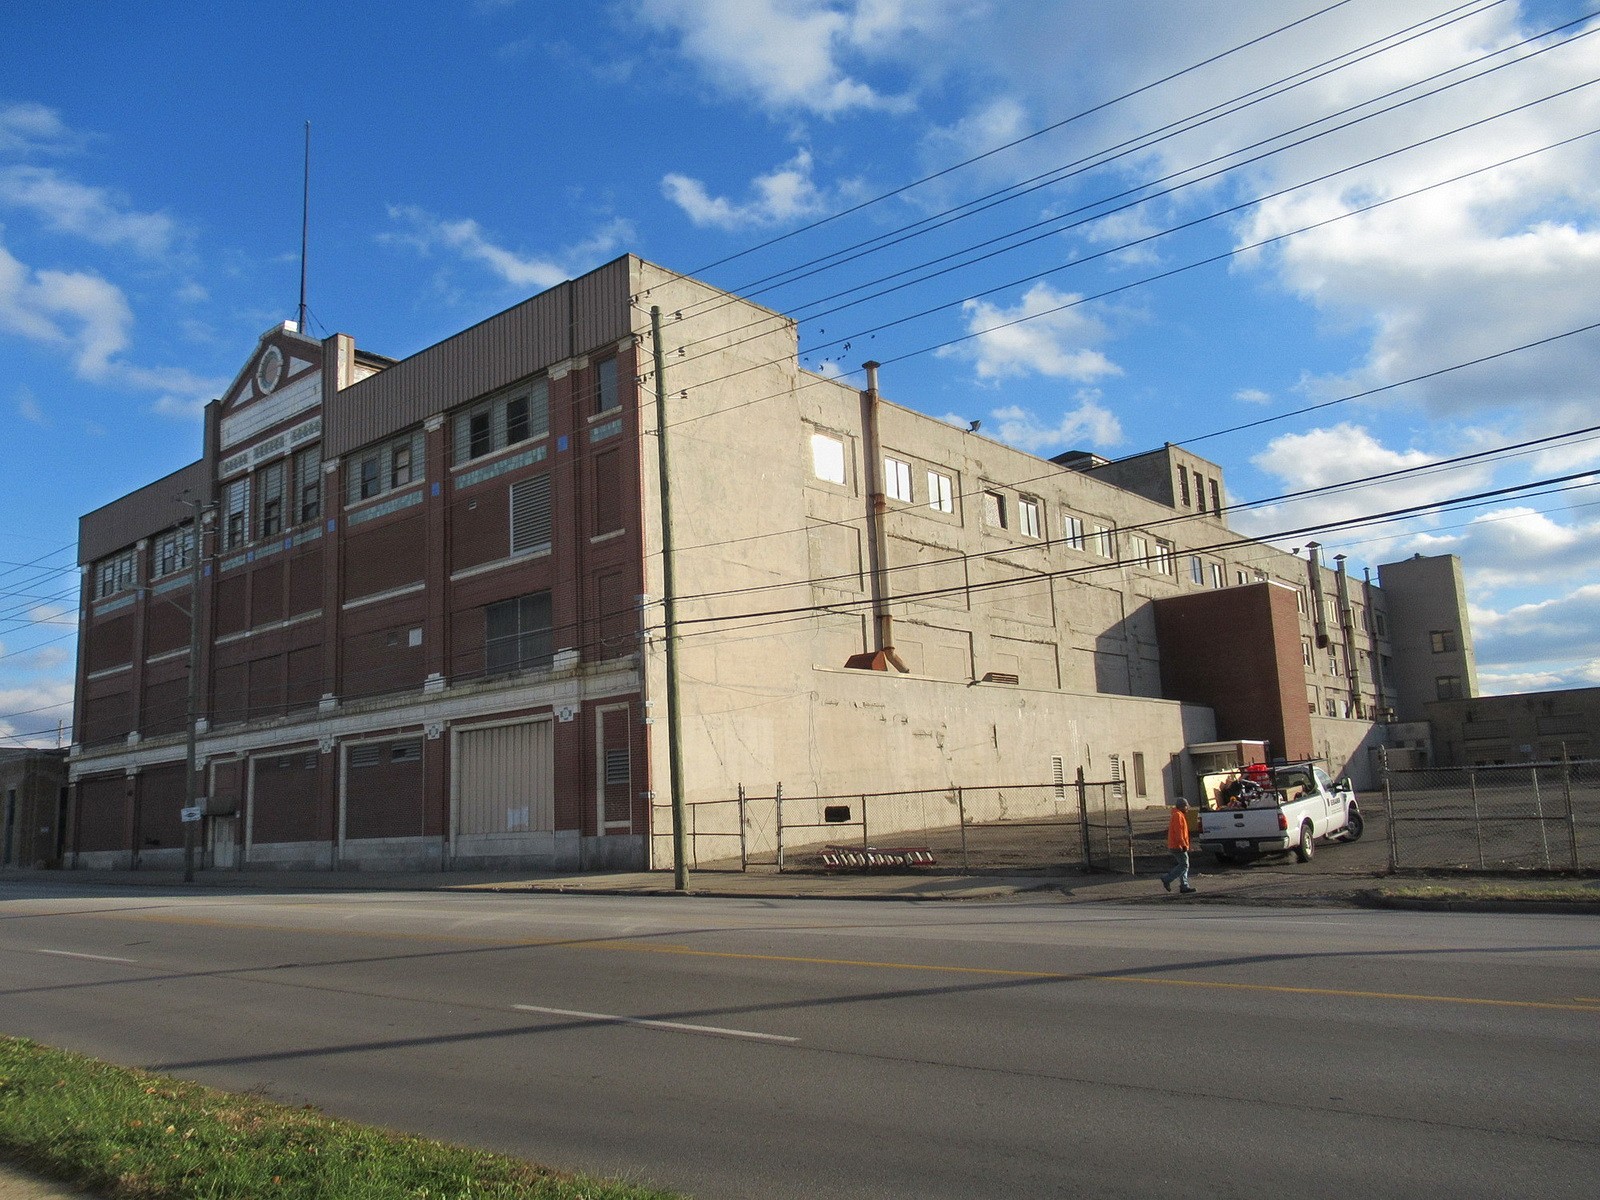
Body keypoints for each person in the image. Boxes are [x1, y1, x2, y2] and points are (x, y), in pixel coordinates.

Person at [1161, 798, 1197, 894]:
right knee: (1184, 865)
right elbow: (1179, 832)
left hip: (1177, 844)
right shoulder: (1178, 815)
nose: (1187, 808)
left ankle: (1184, 885)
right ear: (1182, 806)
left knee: (1184, 864)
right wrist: (1183, 844)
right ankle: (1167, 879)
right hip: (1177, 845)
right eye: (1186, 806)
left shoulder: (1178, 814)